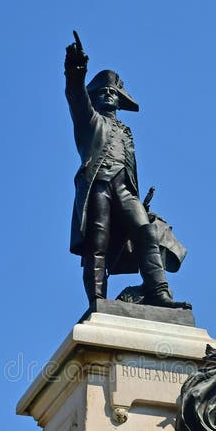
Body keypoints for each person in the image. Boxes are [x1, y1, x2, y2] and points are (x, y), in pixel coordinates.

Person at [64, 31, 190, 308]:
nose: (109, 95)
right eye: (103, 92)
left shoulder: (125, 130)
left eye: (113, 92)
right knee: (98, 242)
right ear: (94, 98)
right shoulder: (88, 121)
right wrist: (75, 71)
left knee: (146, 230)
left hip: (123, 188)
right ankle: (98, 301)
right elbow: (74, 95)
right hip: (99, 184)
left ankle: (159, 293)